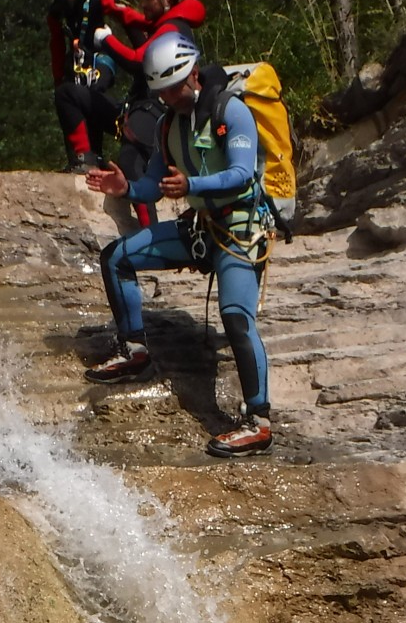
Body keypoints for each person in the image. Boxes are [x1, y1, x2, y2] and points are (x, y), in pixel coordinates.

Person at [82, 32, 278, 458]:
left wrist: (193, 184)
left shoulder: (233, 112)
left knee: (236, 316)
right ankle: (135, 350)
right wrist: (126, 187)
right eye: (161, 91)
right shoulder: (168, 124)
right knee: (117, 257)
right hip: (201, 229)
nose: (168, 97)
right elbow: (154, 184)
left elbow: (243, 173)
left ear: (191, 76)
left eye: (173, 88)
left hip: (240, 232)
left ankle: (259, 422)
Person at [98, 0, 211, 210]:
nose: (143, 5)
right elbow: (142, 22)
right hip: (167, 107)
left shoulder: (171, 27)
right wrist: (115, 10)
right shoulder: (173, 20)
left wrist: (105, 39)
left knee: (131, 160)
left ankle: (145, 226)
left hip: (163, 107)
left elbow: (138, 61)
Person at [47, 0, 116, 171]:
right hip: (76, 60)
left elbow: (121, 19)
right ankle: (79, 157)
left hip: (101, 56)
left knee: (94, 96)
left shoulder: (97, 2)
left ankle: (96, 156)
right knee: (66, 99)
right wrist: (58, 75)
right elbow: (56, 42)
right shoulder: (56, 11)